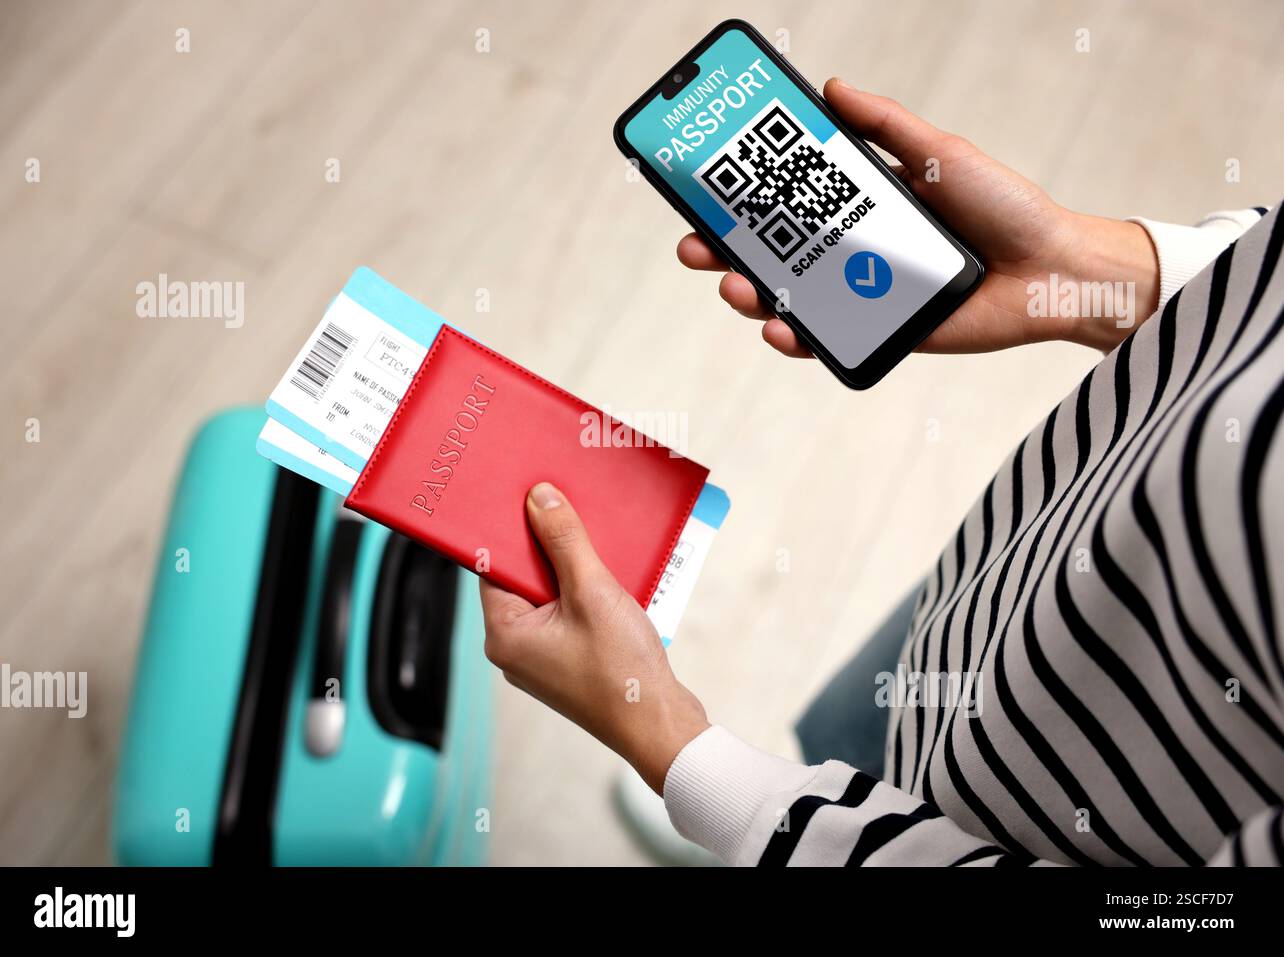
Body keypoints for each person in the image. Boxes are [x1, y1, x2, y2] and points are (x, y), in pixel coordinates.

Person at [479, 79, 1283, 866]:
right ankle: (799, 807)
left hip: (1070, 798)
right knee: (858, 732)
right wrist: (1084, 267)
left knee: (851, 786)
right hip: (1029, 565)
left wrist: (694, 765)